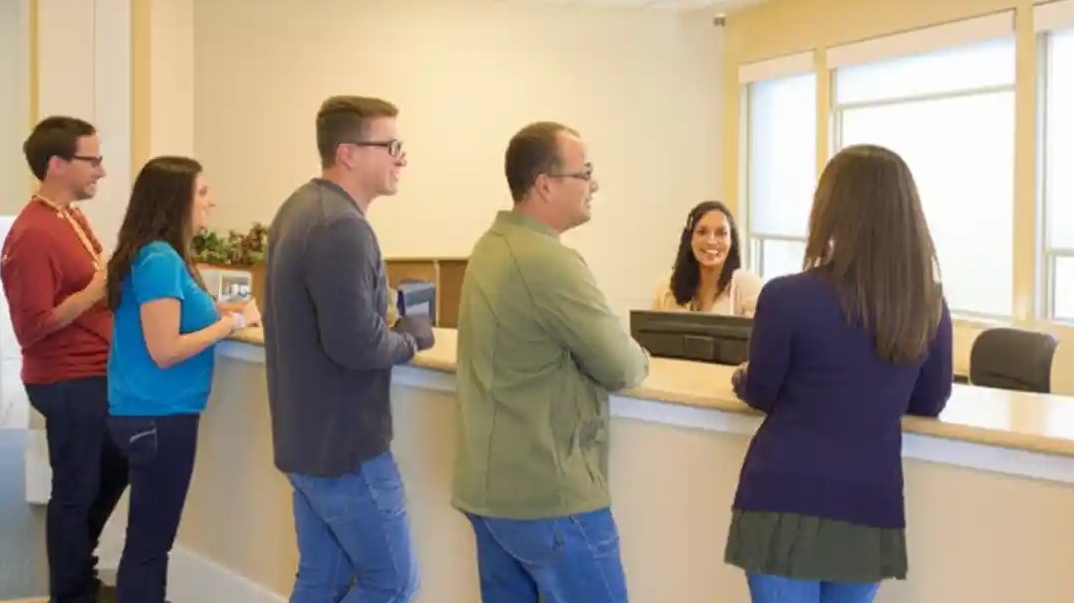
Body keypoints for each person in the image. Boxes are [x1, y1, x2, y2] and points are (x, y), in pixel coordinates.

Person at [725, 145, 953, 603]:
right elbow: (929, 401)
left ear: (831, 211)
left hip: (784, 499)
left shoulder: (788, 297)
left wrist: (741, 378)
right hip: (869, 503)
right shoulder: (926, 305)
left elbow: (763, 390)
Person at [453, 121, 651, 603]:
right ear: (545, 184)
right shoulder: (549, 262)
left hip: (491, 494)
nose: (594, 185)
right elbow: (624, 366)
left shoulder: (491, 245)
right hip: (548, 497)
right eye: (584, 173)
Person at [263, 95, 435, 603]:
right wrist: (411, 340)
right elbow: (356, 344)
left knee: (323, 580)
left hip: (306, 440)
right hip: (345, 449)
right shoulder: (342, 226)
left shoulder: (300, 208)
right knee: (392, 584)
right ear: (349, 153)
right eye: (392, 146)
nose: (401, 158)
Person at [104, 155, 260, 602]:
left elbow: (175, 323)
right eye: (203, 192)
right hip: (157, 417)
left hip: (153, 414)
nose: (213, 202)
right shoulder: (158, 259)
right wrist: (229, 325)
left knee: (149, 544)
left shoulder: (162, 256)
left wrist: (223, 315)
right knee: (150, 548)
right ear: (176, 201)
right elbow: (166, 348)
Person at [0, 116, 129, 603]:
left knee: (112, 469)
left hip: (96, 373)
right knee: (76, 490)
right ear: (57, 164)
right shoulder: (32, 233)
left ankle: (79, 571)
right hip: (68, 379)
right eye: (91, 160)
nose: (101, 170)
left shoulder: (70, 217)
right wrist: (94, 292)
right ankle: (71, 592)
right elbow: (32, 327)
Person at [651, 200, 762, 317]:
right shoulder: (665, 287)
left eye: (721, 233)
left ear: (731, 241)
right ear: (690, 239)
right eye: (702, 232)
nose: (711, 241)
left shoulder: (748, 287)